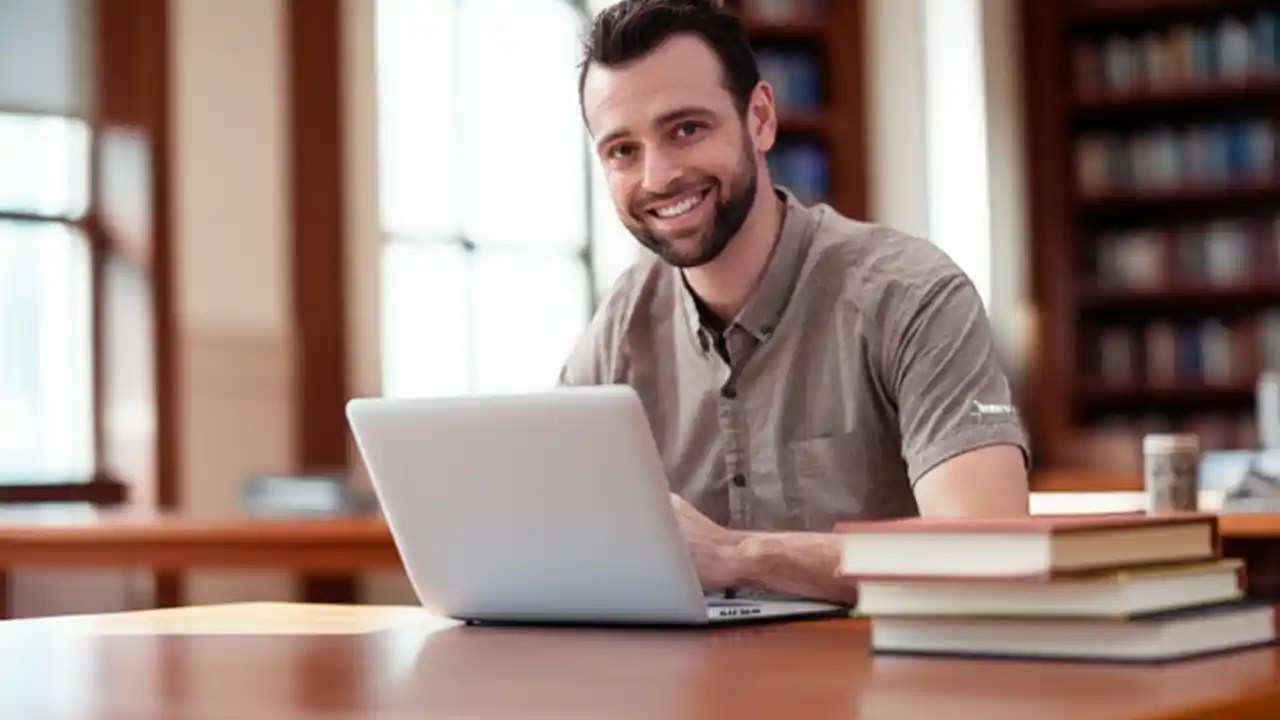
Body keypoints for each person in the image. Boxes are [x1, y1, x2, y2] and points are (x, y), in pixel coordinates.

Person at [560, 0, 1029, 606]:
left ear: (759, 119)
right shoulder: (617, 330)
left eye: (687, 129)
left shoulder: (912, 295)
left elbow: (988, 553)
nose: (657, 176)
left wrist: (736, 554)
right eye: (623, 150)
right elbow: (565, 545)